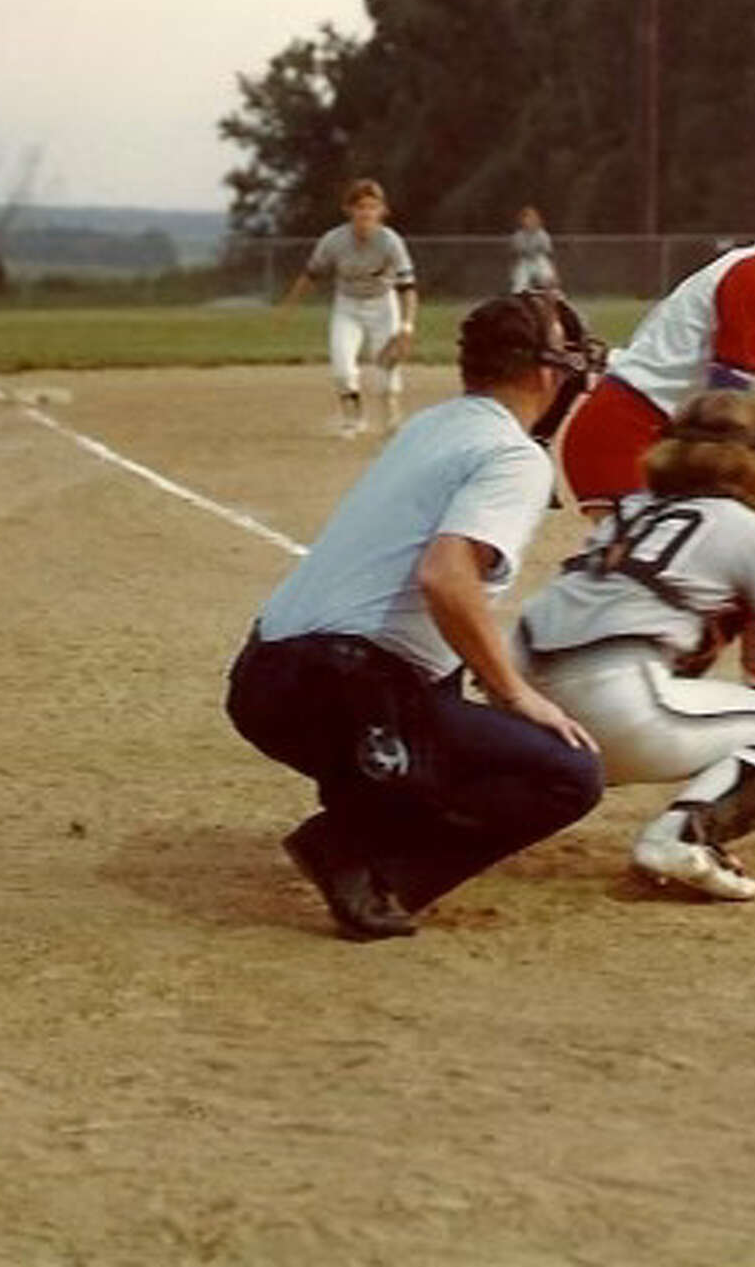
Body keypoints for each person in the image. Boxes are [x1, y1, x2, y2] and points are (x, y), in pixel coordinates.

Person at [225, 291, 604, 943]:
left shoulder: (434, 423)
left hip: (266, 677)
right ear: (548, 373)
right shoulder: (515, 456)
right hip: (336, 687)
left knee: (442, 685)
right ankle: (358, 854)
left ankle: (370, 803)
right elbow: (446, 577)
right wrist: (515, 695)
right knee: (567, 772)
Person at [513, 389, 755, 902]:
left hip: (521, 698)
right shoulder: (751, 531)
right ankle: (680, 837)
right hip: (612, 700)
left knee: (671, 675)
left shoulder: (631, 510)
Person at [560, 152, 755, 514]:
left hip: (636, 433)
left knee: (674, 559)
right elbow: (726, 418)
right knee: (684, 556)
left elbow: (728, 405)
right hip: (625, 438)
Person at [280, 178, 417, 437]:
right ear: (348, 210)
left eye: (372, 206)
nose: (366, 213)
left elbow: (408, 287)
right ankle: (353, 417)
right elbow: (311, 274)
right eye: (360, 206)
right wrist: (289, 305)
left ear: (382, 211)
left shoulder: (390, 242)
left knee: (387, 363)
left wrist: (407, 326)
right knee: (342, 365)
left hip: (383, 304)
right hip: (348, 305)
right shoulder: (334, 240)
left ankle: (391, 414)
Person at [509, 205, 558, 293]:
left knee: (548, 279)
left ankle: (554, 299)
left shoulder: (542, 235)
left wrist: (554, 272)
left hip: (539, 259)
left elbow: (548, 254)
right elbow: (516, 254)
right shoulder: (518, 236)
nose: (527, 221)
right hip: (525, 260)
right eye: (525, 218)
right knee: (518, 286)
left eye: (530, 218)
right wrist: (514, 270)